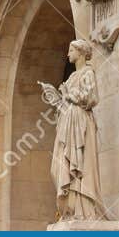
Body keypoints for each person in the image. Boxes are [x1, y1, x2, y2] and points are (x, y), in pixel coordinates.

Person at [47, 39, 108, 222]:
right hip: (68, 122)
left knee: (80, 165)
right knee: (57, 167)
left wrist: (69, 96)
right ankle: (70, 209)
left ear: (81, 52)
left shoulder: (88, 73)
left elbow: (92, 97)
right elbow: (68, 100)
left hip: (80, 122)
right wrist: (58, 99)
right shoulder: (72, 77)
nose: (68, 54)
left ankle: (83, 209)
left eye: (71, 50)